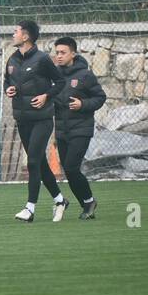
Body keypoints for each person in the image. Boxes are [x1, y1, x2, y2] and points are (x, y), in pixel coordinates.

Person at [6, 20, 67, 223]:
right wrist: (9, 89)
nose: (13, 34)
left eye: (16, 31)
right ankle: (60, 200)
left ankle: (29, 208)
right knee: (39, 164)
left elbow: (60, 82)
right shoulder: (12, 59)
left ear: (26, 36)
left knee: (32, 162)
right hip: (23, 119)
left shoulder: (42, 59)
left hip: (42, 119)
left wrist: (46, 97)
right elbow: (8, 82)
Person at [51, 36, 106, 220]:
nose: (59, 56)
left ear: (73, 54)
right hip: (61, 129)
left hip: (81, 129)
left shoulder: (85, 75)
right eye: (57, 52)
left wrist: (83, 104)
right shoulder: (54, 75)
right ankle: (87, 204)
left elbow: (100, 98)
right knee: (69, 170)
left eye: (63, 52)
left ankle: (89, 202)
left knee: (72, 167)